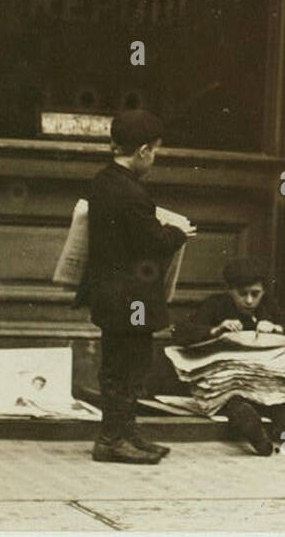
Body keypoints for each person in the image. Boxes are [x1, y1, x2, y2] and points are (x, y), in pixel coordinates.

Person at [75, 109, 196, 465]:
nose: (154, 157)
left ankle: (125, 434)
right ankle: (112, 439)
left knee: (125, 362)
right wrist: (177, 233)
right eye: (154, 150)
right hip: (130, 298)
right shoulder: (132, 192)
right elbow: (152, 243)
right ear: (142, 151)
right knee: (126, 366)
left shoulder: (103, 181)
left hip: (113, 295)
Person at [174, 257, 285, 457]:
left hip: (272, 388)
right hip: (233, 387)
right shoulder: (216, 306)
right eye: (242, 294)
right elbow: (180, 332)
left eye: (255, 294)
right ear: (230, 290)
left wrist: (278, 328)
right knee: (239, 409)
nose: (249, 301)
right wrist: (216, 329)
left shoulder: (269, 307)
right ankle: (259, 440)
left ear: (263, 291)